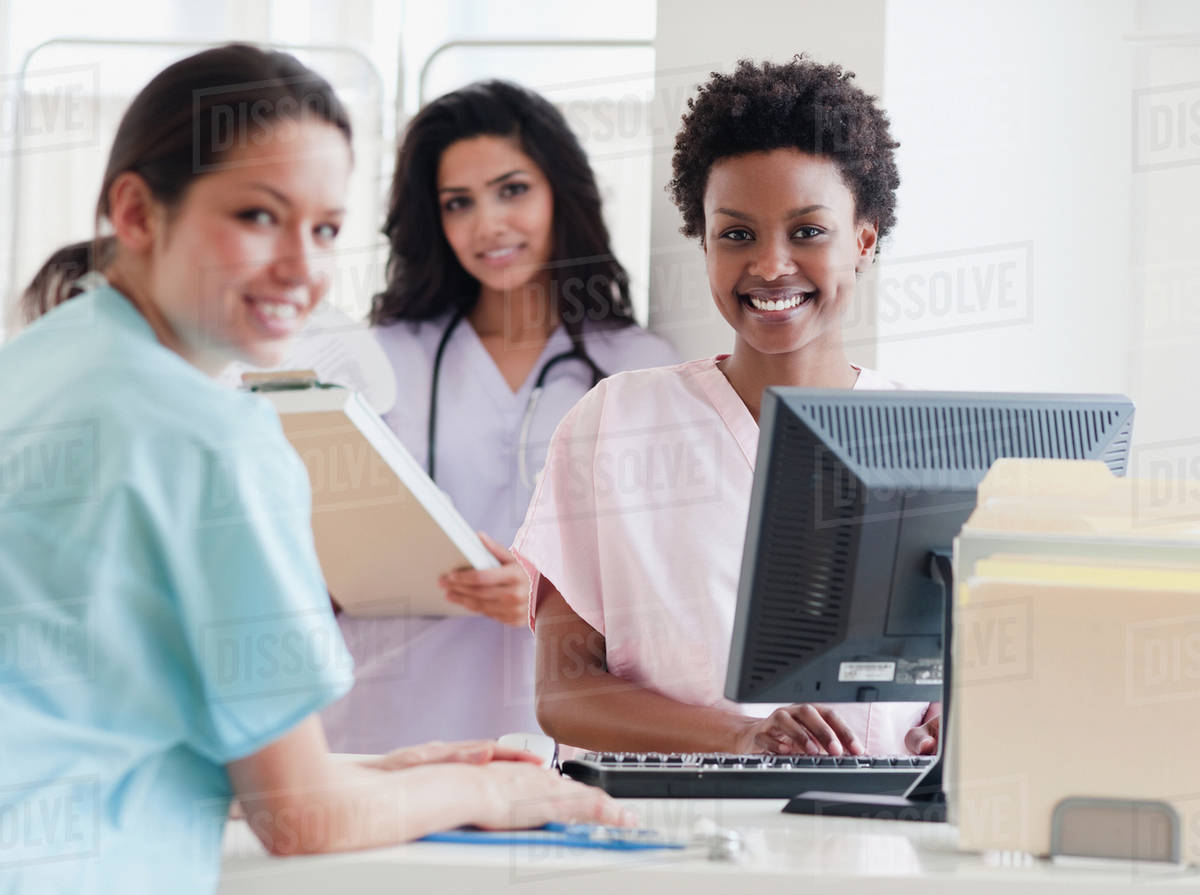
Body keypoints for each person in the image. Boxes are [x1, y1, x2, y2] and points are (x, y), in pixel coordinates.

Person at [0, 45, 626, 895]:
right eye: (259, 215)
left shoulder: (30, 371)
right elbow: (302, 816)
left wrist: (397, 770)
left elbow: (110, 728)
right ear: (139, 214)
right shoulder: (217, 436)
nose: (303, 268)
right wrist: (496, 787)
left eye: (326, 228)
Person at [513, 57, 941, 757]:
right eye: (737, 234)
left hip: (874, 844)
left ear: (864, 241)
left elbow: (962, 679)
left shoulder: (927, 442)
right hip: (664, 840)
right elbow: (563, 693)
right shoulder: (613, 425)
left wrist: (952, 722)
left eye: (808, 231)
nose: (771, 265)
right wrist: (744, 735)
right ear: (705, 240)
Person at [321, 80, 677, 752]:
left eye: (512, 189)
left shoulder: (636, 366)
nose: (487, 224)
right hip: (393, 718)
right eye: (459, 203)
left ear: (558, 193)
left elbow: (668, 572)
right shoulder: (384, 358)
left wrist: (547, 596)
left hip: (555, 730)